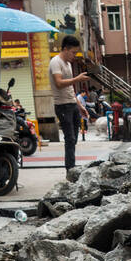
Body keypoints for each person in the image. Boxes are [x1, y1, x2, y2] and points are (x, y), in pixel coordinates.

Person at [49, 34, 90, 171]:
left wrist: (80, 106)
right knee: (70, 138)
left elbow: (70, 89)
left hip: (72, 104)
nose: (74, 56)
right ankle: (70, 169)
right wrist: (77, 79)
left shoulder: (68, 64)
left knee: (74, 138)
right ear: (65, 49)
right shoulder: (56, 62)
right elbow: (59, 83)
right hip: (62, 105)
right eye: (73, 52)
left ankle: (71, 166)